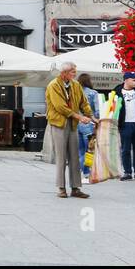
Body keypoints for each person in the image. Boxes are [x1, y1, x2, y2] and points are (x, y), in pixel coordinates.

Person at [45, 61, 95, 198]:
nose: (75, 74)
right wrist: (79, 117)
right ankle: (61, 188)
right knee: (61, 157)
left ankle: (75, 188)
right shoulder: (53, 85)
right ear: (64, 73)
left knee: (74, 156)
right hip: (58, 123)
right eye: (73, 72)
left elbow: (83, 102)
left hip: (72, 123)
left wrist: (91, 116)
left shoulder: (76, 85)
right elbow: (60, 107)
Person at [109, 71, 135, 181]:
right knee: (125, 149)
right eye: (134, 80)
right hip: (124, 124)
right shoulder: (116, 92)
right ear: (126, 80)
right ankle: (127, 172)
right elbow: (111, 107)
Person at [77, 74, 101, 183]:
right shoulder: (93, 93)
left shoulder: (74, 92)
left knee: (80, 151)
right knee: (89, 151)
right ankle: (86, 175)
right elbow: (97, 110)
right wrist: (97, 120)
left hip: (75, 123)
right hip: (88, 123)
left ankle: (80, 173)